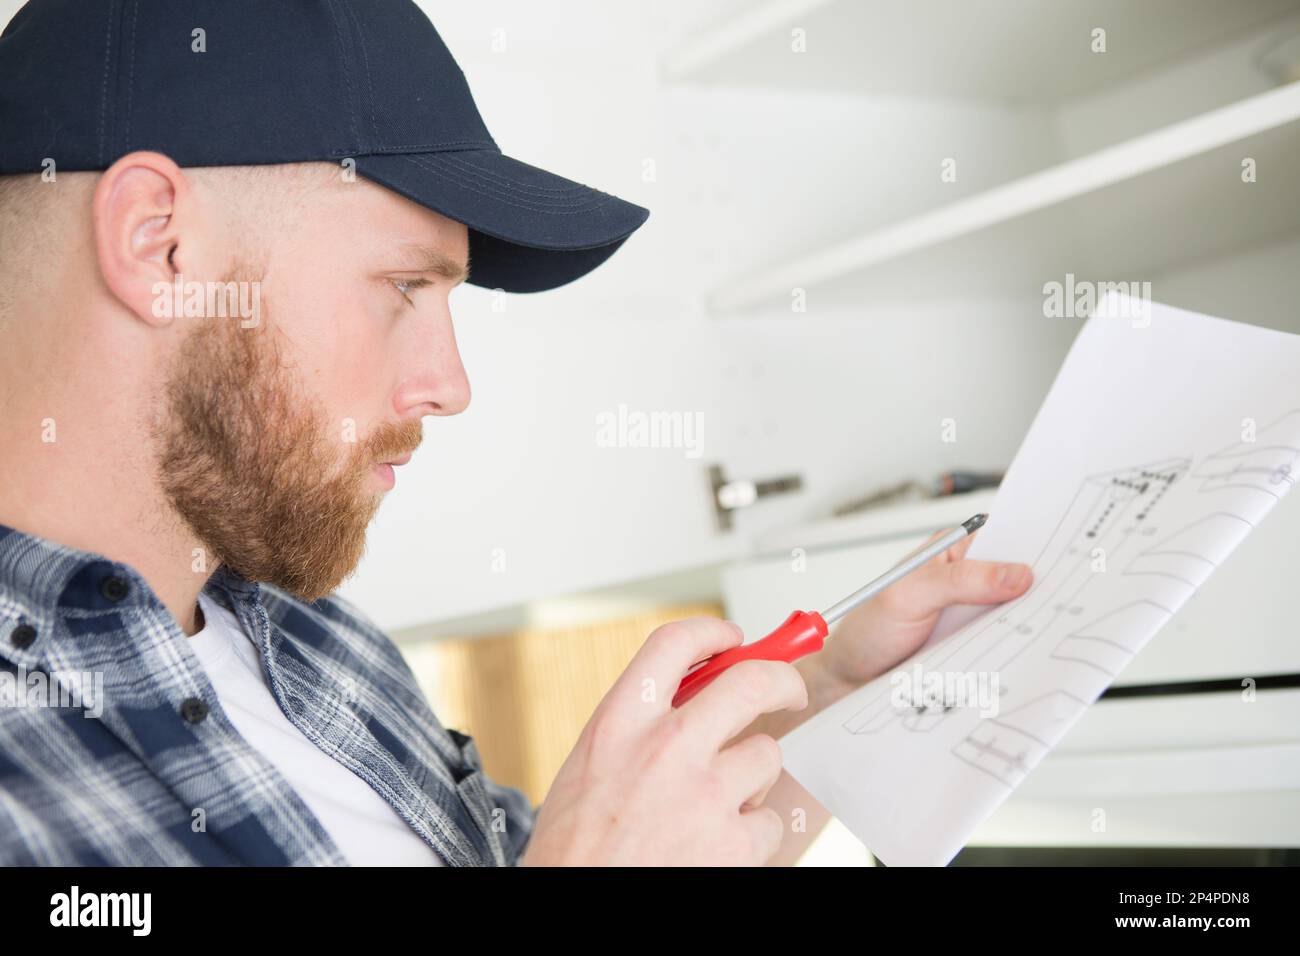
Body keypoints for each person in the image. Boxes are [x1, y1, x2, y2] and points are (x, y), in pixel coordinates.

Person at [0, 0, 1032, 866]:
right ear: (160, 246)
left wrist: (829, 695)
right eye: (404, 285)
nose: (450, 386)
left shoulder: (321, 645)